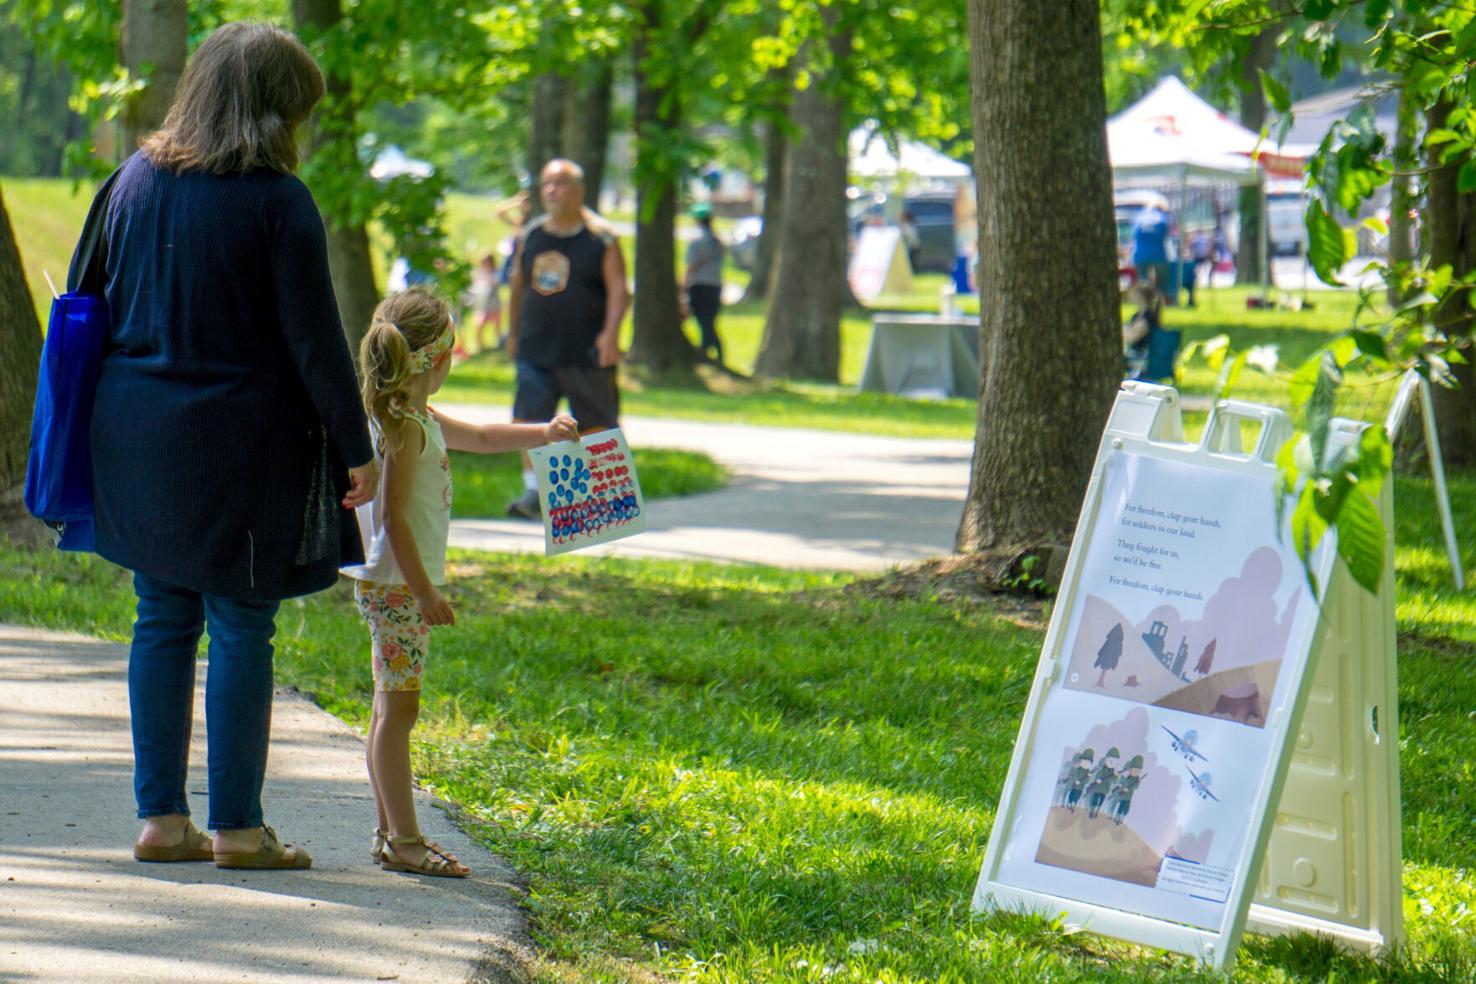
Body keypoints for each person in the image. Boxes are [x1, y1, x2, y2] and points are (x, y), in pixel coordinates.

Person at [92, 22, 376, 869]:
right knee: (243, 625)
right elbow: (316, 342)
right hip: (242, 443)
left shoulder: (131, 181)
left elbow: (88, 302)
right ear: (273, 111)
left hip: (138, 434)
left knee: (161, 615)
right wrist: (354, 447)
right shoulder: (277, 201)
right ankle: (241, 830)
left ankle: (161, 820)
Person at [349, 288, 577, 877]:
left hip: (392, 584)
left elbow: (480, 436)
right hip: (399, 586)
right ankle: (403, 839)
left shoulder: (408, 414)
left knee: (386, 711)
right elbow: (396, 519)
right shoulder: (402, 426)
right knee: (398, 715)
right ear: (440, 360)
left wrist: (543, 433)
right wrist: (424, 591)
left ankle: (389, 833)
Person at [504, 158, 630, 520]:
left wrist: (611, 335)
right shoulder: (532, 234)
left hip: (586, 350)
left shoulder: (601, 237)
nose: (552, 190)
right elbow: (517, 285)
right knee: (528, 420)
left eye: (560, 183)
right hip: (536, 346)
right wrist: (513, 334)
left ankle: (605, 500)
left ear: (580, 191)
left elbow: (619, 289)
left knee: (597, 422)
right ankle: (534, 494)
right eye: (546, 184)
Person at [682, 202, 725, 365]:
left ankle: (709, 353)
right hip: (715, 285)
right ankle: (712, 352)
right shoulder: (718, 241)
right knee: (709, 320)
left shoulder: (696, 240)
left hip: (699, 285)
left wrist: (683, 283)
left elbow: (691, 265)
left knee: (703, 321)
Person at [1131, 201, 1174, 304]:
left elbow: (1134, 236)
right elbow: (1166, 236)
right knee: (1163, 280)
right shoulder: (1162, 219)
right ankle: (1165, 300)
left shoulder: (1139, 219)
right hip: (1158, 253)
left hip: (1140, 254)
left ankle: (1144, 301)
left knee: (1143, 280)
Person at [465, 253, 503, 353]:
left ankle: (499, 342)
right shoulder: (478, 273)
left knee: (497, 323)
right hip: (481, 304)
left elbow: (497, 282)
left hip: (494, 304)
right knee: (479, 324)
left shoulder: (496, 272)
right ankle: (480, 345)